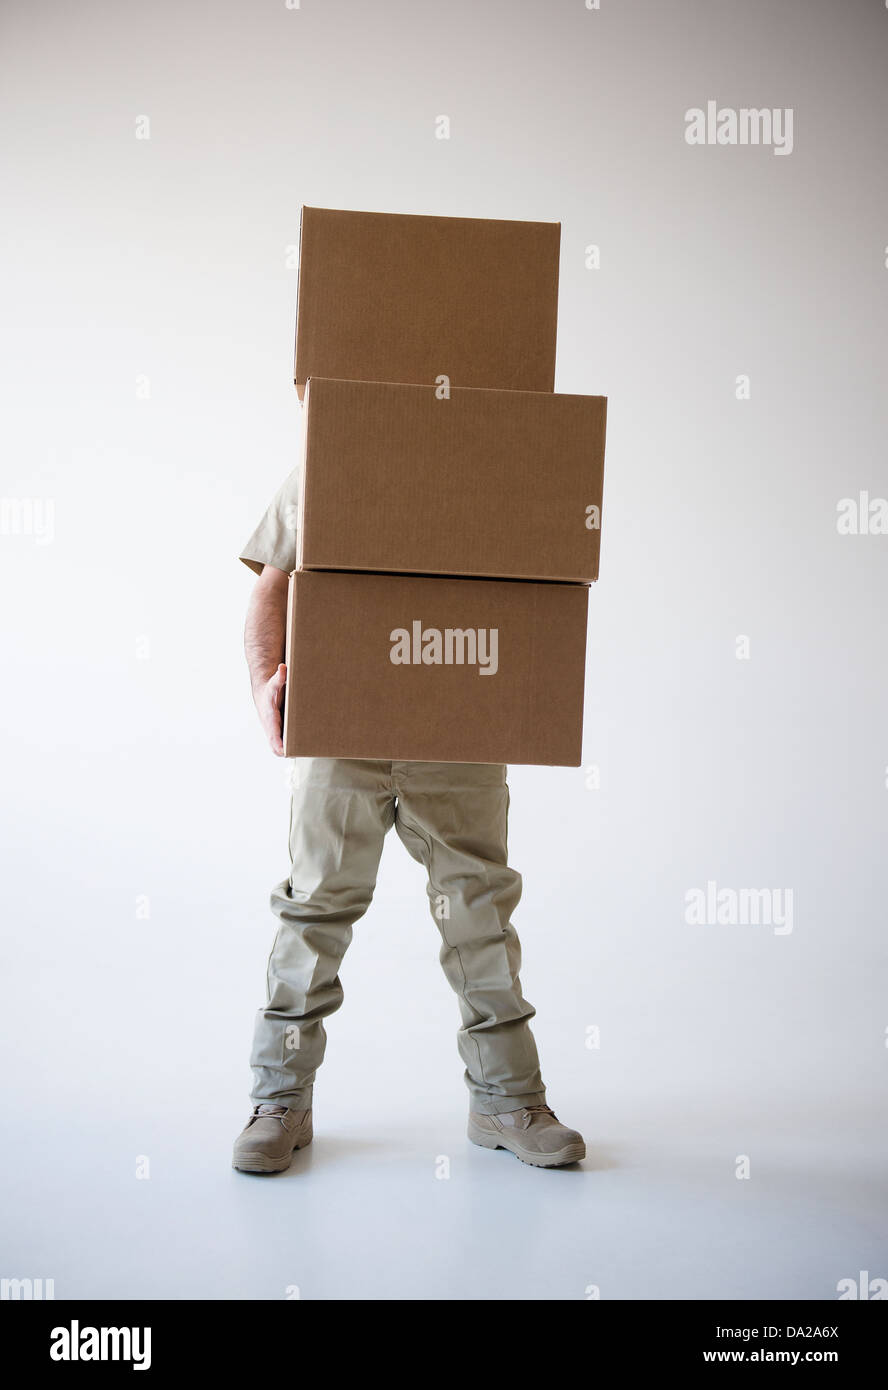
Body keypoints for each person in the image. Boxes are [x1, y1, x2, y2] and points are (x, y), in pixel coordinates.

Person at [231, 462, 586, 1173]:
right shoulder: (326, 464)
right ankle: (280, 1102)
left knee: (479, 915)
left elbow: (541, 593)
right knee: (315, 911)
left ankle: (507, 1099)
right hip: (342, 731)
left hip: (460, 733)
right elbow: (271, 587)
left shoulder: (500, 473)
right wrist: (267, 683)